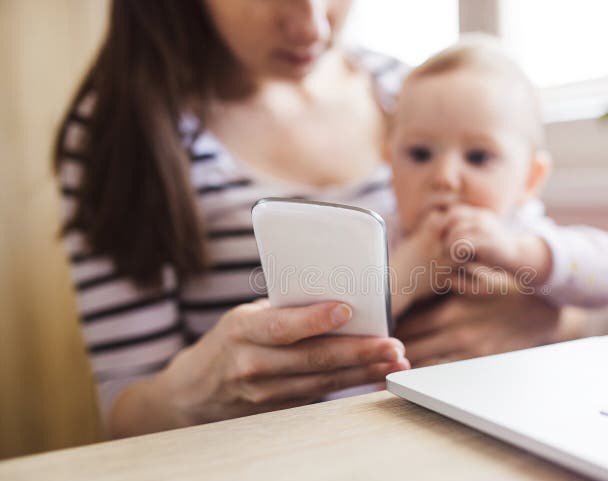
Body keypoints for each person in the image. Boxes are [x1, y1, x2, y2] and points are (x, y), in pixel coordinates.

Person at [54, 0, 579, 439]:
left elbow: (557, 273)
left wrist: (540, 315)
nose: (313, 25)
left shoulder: (417, 91)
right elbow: (123, 415)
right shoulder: (126, 128)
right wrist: (200, 390)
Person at [388, 38, 608, 319]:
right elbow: (338, 320)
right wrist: (402, 276)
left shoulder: (521, 230)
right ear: (390, 165)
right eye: (420, 154)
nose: (444, 178)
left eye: (477, 157)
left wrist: (521, 254)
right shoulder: (384, 240)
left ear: (530, 179)